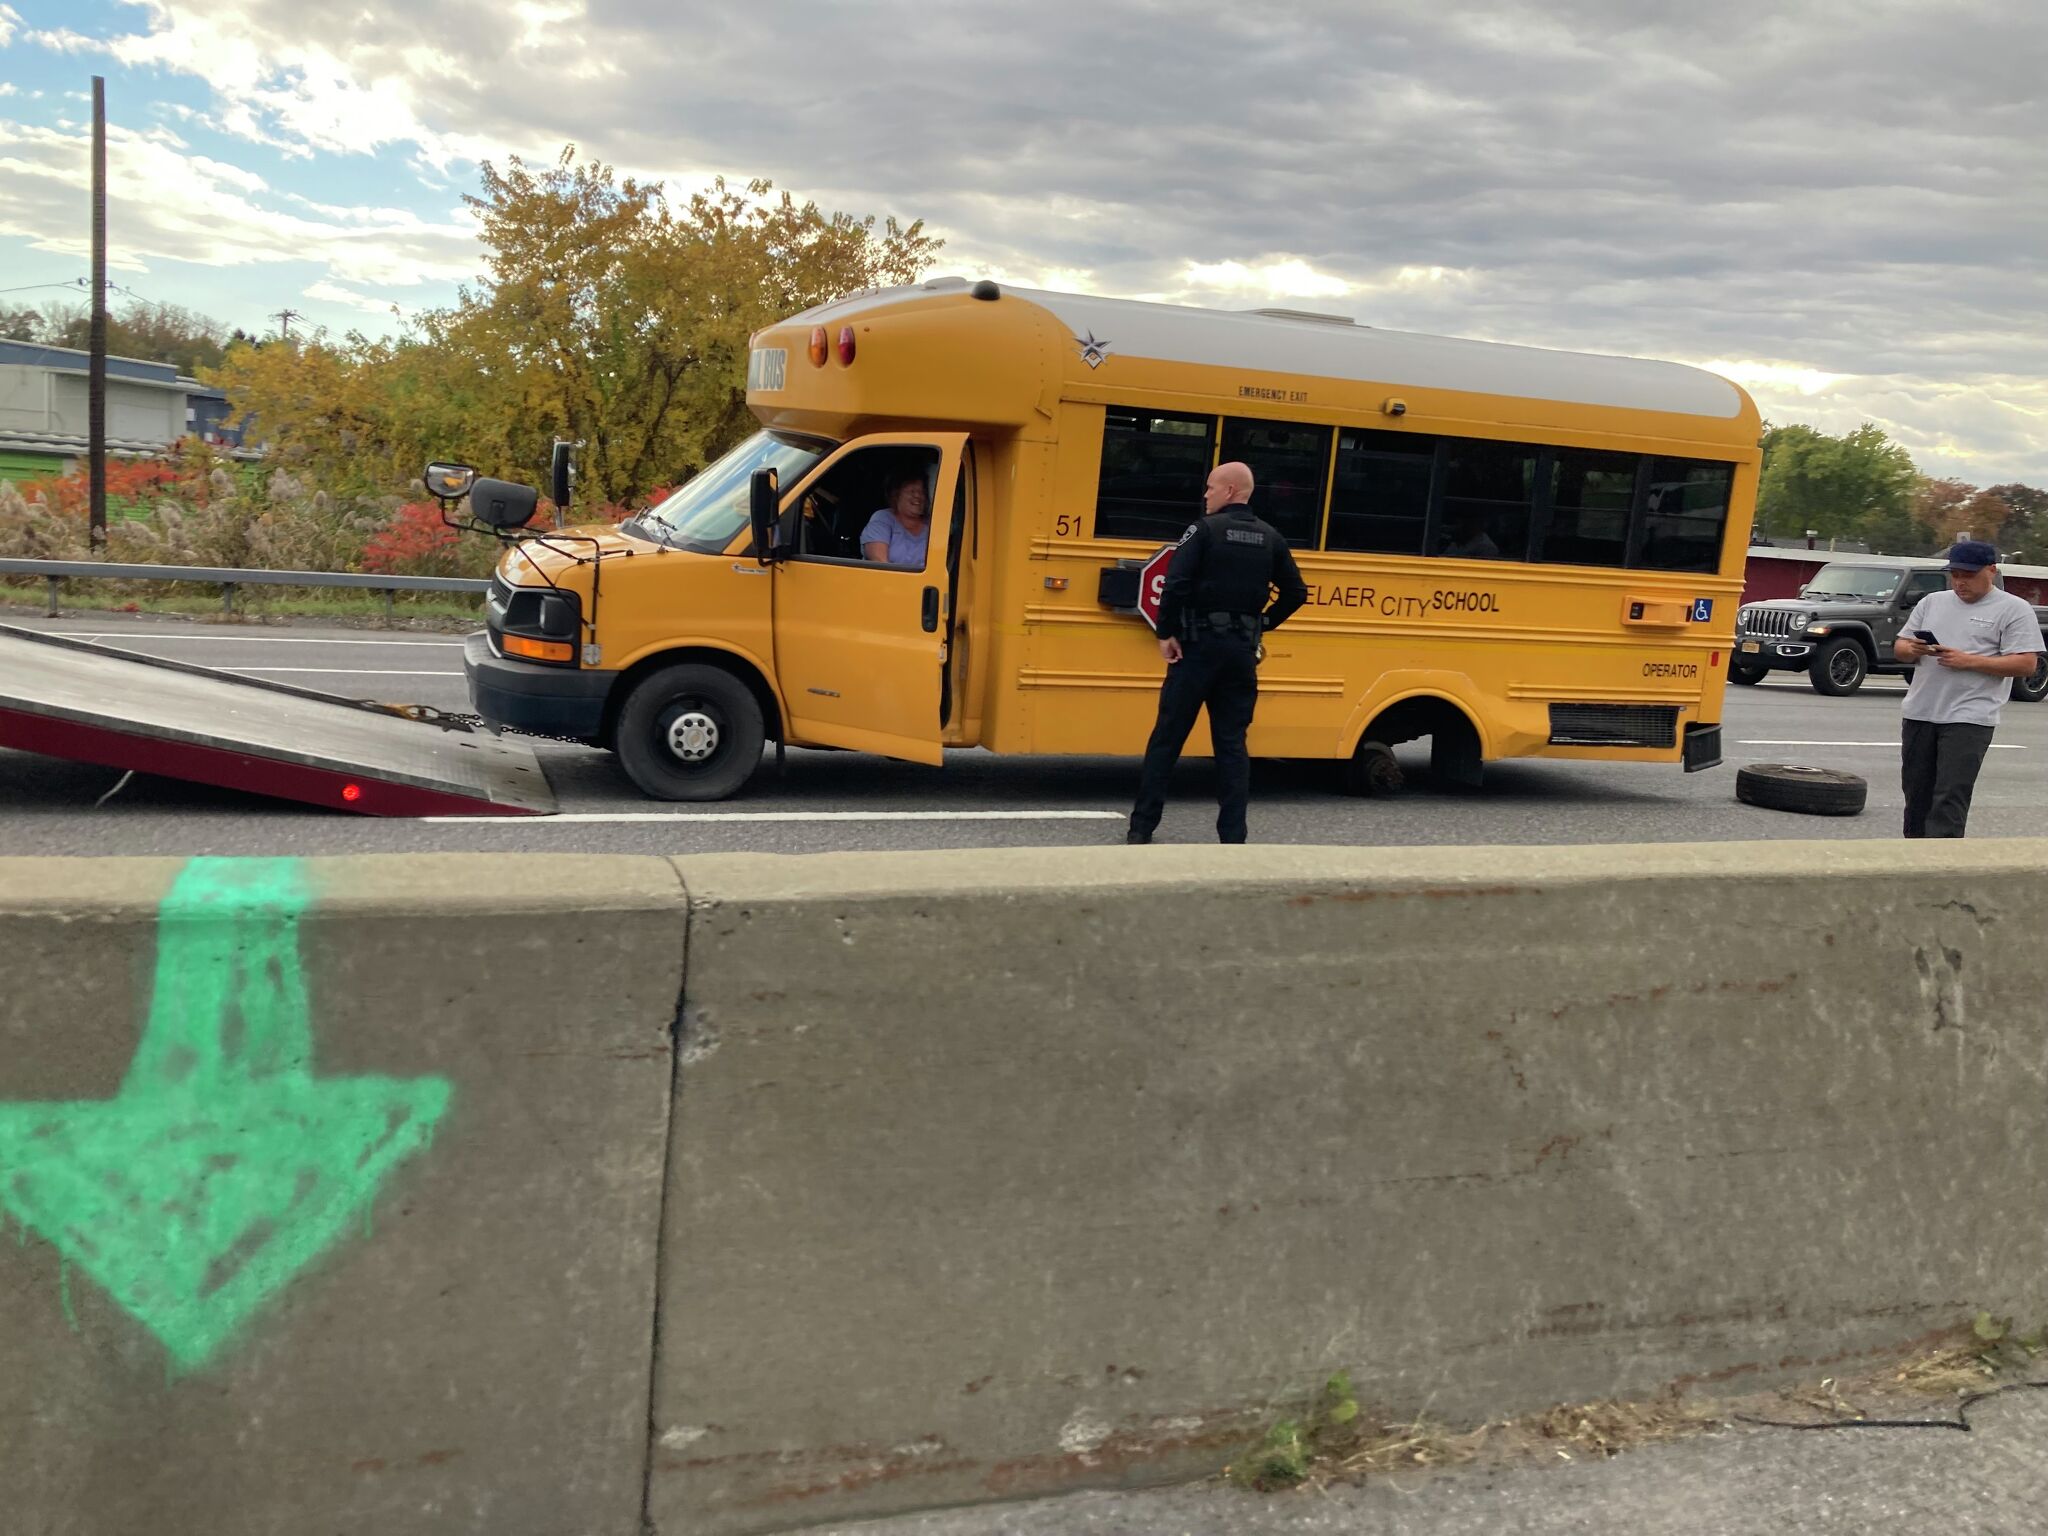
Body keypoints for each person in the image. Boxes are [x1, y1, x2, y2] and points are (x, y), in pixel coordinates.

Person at [1127, 461, 1309, 845]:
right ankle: (1232, 836)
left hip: (1196, 651)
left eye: (1210, 488)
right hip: (1240, 654)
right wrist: (1261, 624)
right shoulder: (1270, 537)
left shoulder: (1204, 530)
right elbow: (1296, 593)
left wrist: (1166, 633)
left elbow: (1176, 584)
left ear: (1228, 491)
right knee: (1231, 744)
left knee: (1168, 738)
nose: (1205, 495)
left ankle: (1142, 827)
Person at [1891, 539, 2044, 838]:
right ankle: (1912, 864)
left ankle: (1944, 869)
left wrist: (1969, 661)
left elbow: (2027, 664)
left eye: (1968, 575)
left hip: (1970, 717)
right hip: (1921, 711)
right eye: (1955, 574)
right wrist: (1914, 649)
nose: (1960, 582)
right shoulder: (1932, 602)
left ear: (1991, 570)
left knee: (1949, 798)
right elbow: (1900, 647)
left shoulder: (2013, 609)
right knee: (1916, 795)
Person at [860, 471, 930, 568]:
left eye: (922, 492)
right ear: (896, 495)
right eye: (912, 491)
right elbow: (879, 562)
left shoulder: (931, 524)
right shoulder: (883, 519)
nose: (918, 496)